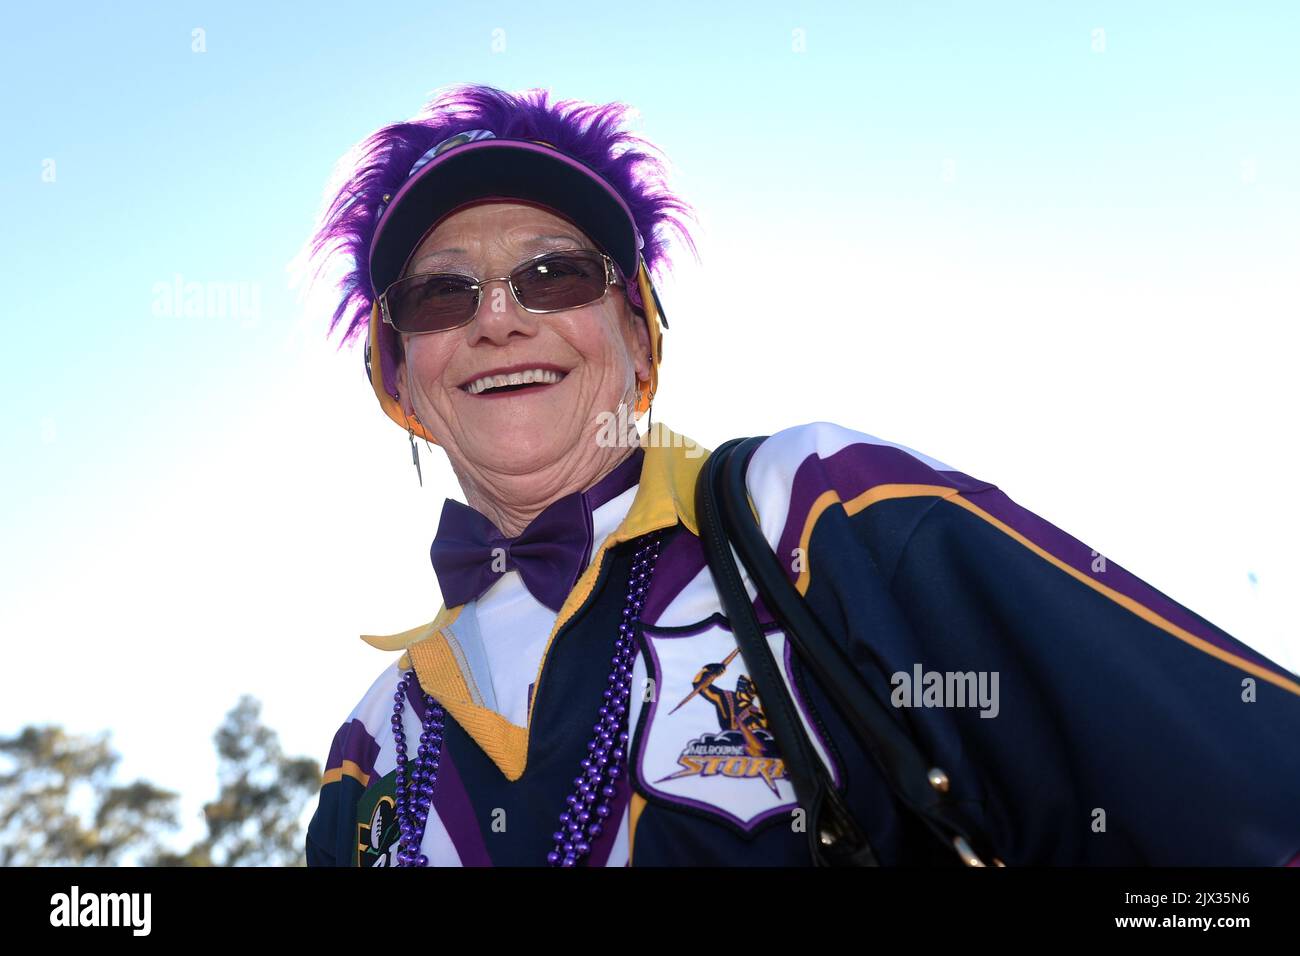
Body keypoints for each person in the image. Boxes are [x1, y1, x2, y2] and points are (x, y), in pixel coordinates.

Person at [302, 83, 1300, 867]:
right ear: (399, 380)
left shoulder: (816, 510)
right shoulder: (375, 737)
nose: (497, 317)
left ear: (641, 340)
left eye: (553, 272)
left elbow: (1244, 799)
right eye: (440, 293)